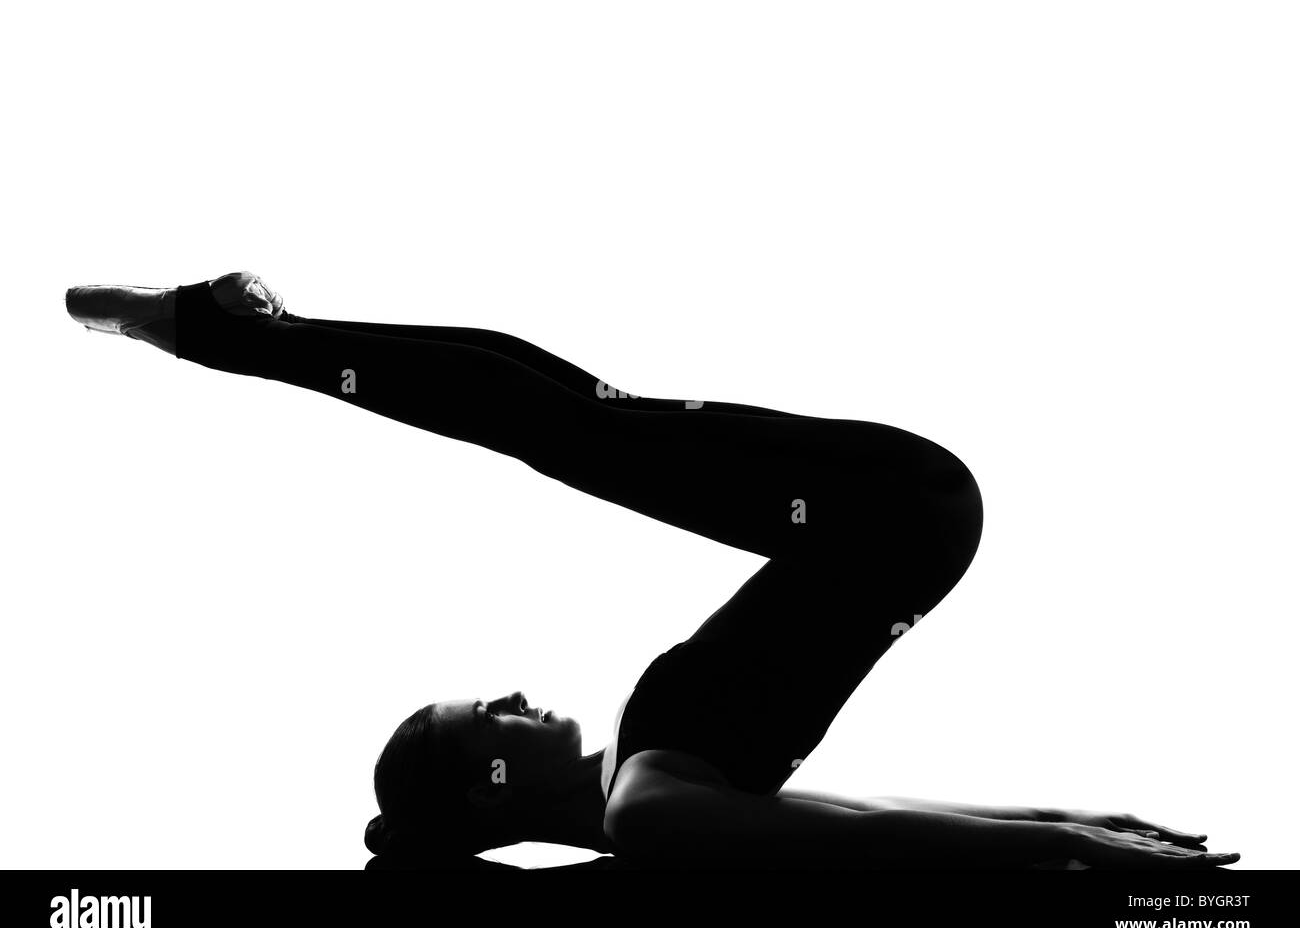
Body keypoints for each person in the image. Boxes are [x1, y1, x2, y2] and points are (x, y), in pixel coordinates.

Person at [66, 272, 1239, 871]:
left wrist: (1061, 815)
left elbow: (857, 818)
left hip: (888, 516)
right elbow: (864, 838)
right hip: (884, 514)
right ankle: (230, 335)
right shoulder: (653, 810)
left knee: (560, 404)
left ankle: (245, 332)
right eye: (496, 712)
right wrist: (1057, 840)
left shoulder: (659, 789)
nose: (520, 693)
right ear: (486, 782)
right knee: (558, 420)